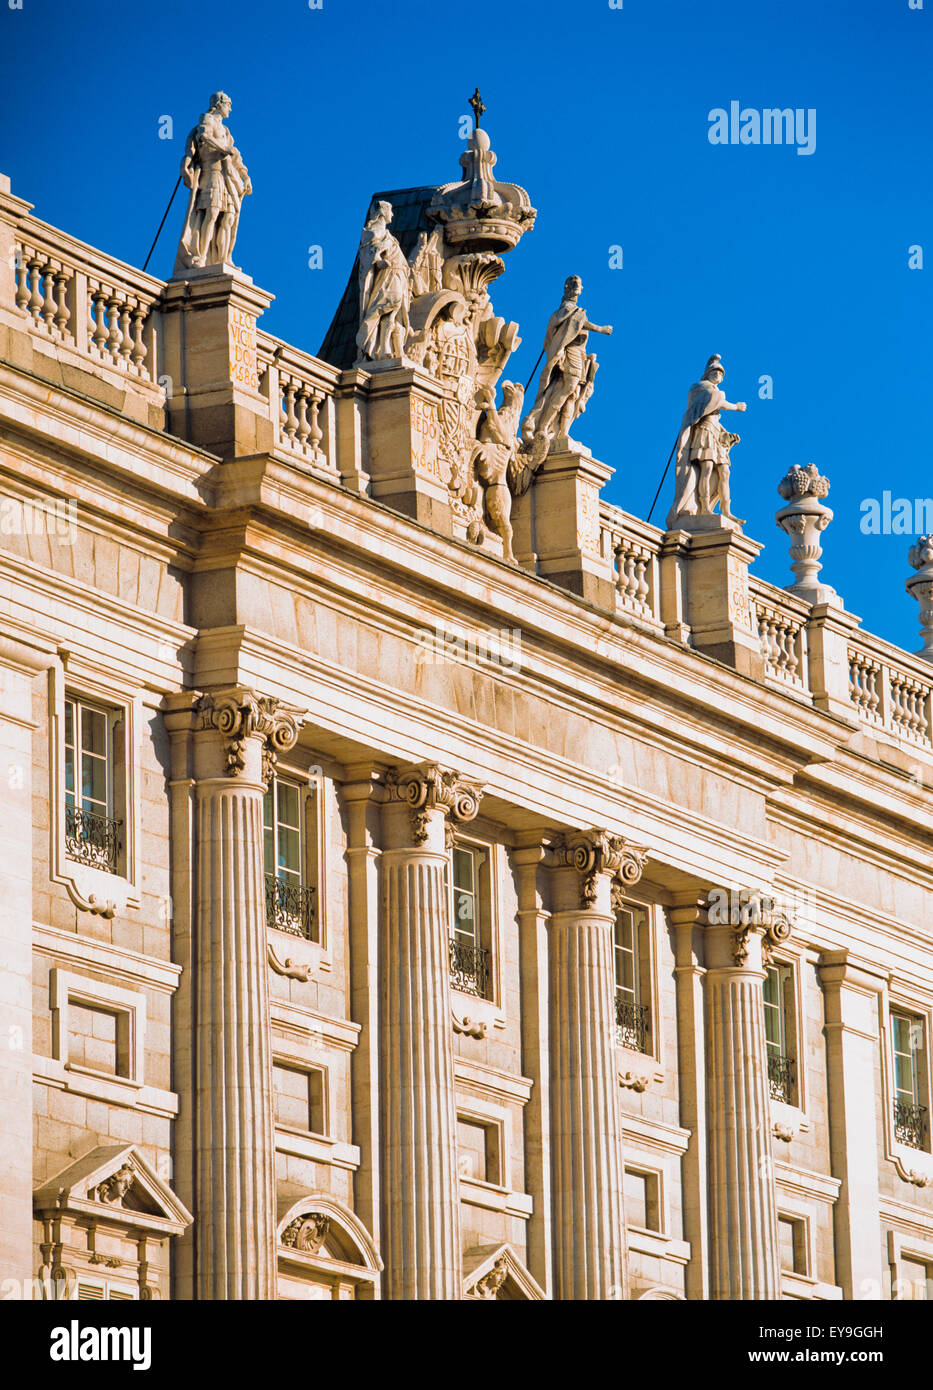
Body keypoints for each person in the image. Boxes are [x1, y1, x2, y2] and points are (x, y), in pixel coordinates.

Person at [520, 276, 612, 468]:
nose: (579, 287)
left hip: (579, 353)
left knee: (572, 395)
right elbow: (579, 323)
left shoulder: (574, 311)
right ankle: (543, 427)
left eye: (580, 285)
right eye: (576, 284)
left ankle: (562, 432)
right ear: (568, 288)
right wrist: (601, 329)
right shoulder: (567, 310)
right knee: (567, 389)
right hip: (569, 354)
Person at [666, 354, 746, 527]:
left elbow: (714, 412)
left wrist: (726, 434)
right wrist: (736, 406)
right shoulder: (700, 388)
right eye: (714, 371)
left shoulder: (715, 391)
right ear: (707, 374)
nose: (717, 374)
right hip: (704, 433)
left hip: (715, 432)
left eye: (720, 373)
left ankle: (726, 511)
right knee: (707, 468)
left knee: (724, 472)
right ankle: (704, 508)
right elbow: (714, 403)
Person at [174, 93, 251, 272]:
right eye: (228, 104)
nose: (230, 109)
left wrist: (245, 176)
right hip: (212, 173)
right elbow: (204, 137)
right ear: (218, 104)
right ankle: (201, 256)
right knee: (212, 214)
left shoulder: (226, 131)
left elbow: (234, 155)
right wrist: (222, 148)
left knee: (228, 218)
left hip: (227, 177)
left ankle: (224, 258)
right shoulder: (207, 119)